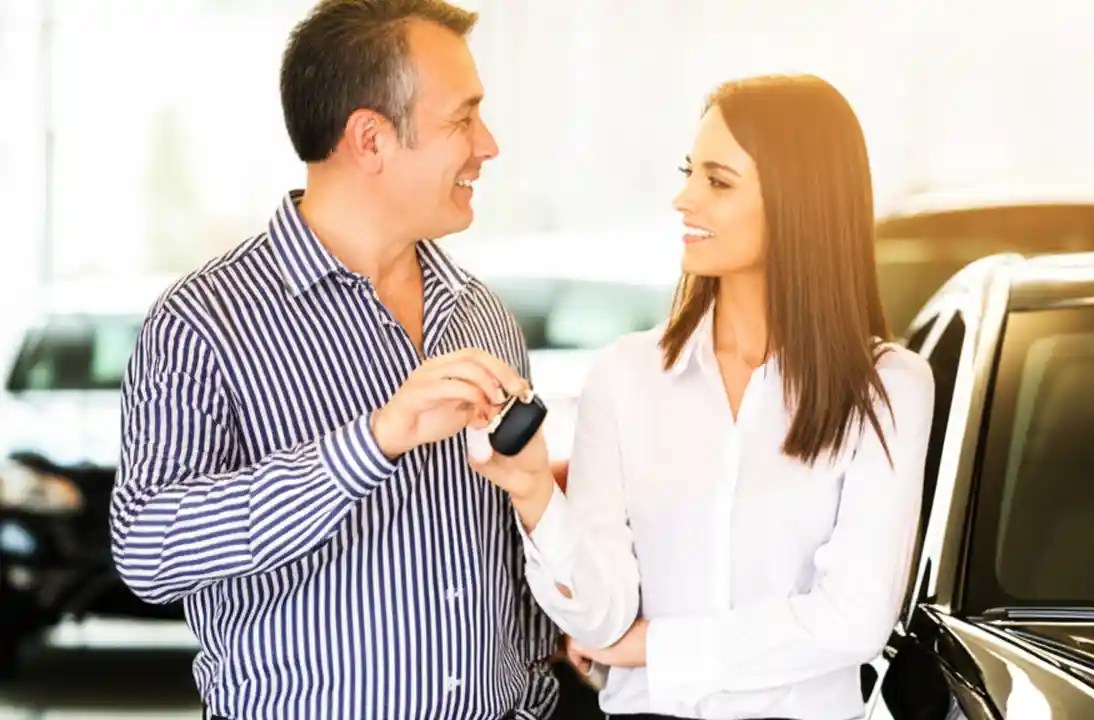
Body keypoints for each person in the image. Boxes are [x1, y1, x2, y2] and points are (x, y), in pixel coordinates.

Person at [109, 1, 561, 718]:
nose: (489, 145)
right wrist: (372, 442)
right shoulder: (203, 321)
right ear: (370, 139)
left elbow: (509, 560)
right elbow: (148, 551)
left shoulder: (483, 315)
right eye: (462, 119)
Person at [471, 74, 935, 719]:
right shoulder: (625, 376)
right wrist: (534, 494)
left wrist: (653, 648)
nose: (683, 198)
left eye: (718, 181)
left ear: (799, 202)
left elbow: (854, 619)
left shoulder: (888, 388)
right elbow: (600, 618)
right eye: (690, 172)